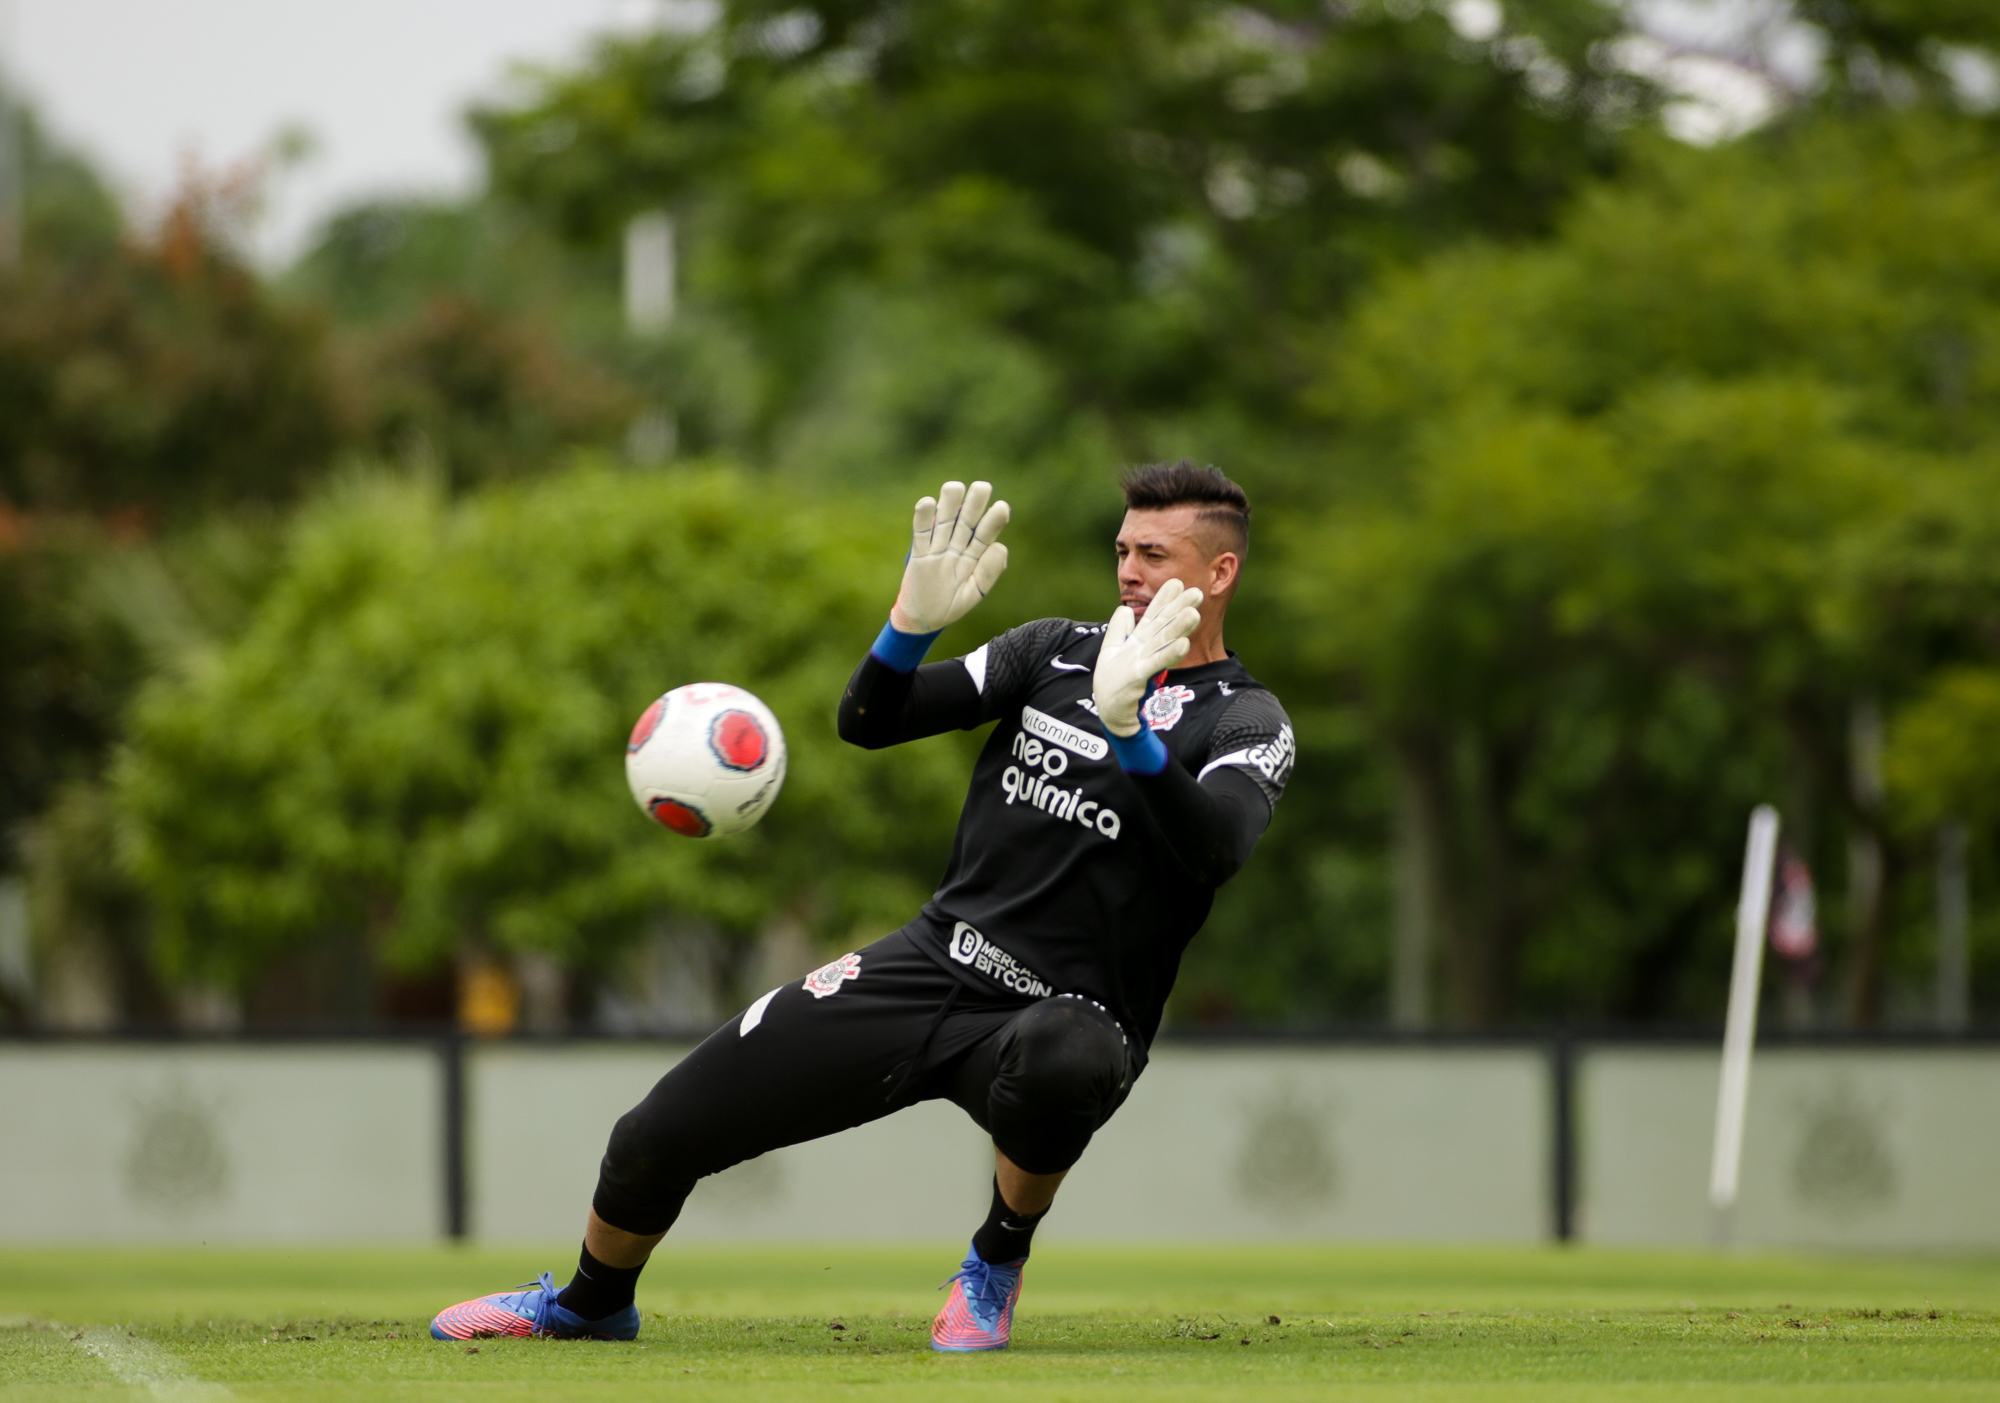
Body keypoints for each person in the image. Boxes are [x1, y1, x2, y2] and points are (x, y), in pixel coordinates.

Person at [430, 461, 1294, 1351]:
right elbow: (871, 720)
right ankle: (589, 1303)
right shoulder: (1051, 651)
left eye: (1153, 552)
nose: (1128, 570)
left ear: (1219, 573)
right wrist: (907, 628)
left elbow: (1216, 847)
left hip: (1068, 1011)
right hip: (931, 964)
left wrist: (1133, 736)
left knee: (1062, 1057)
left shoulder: (1246, 720)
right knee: (654, 1132)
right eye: (1122, 548)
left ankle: (995, 1262)